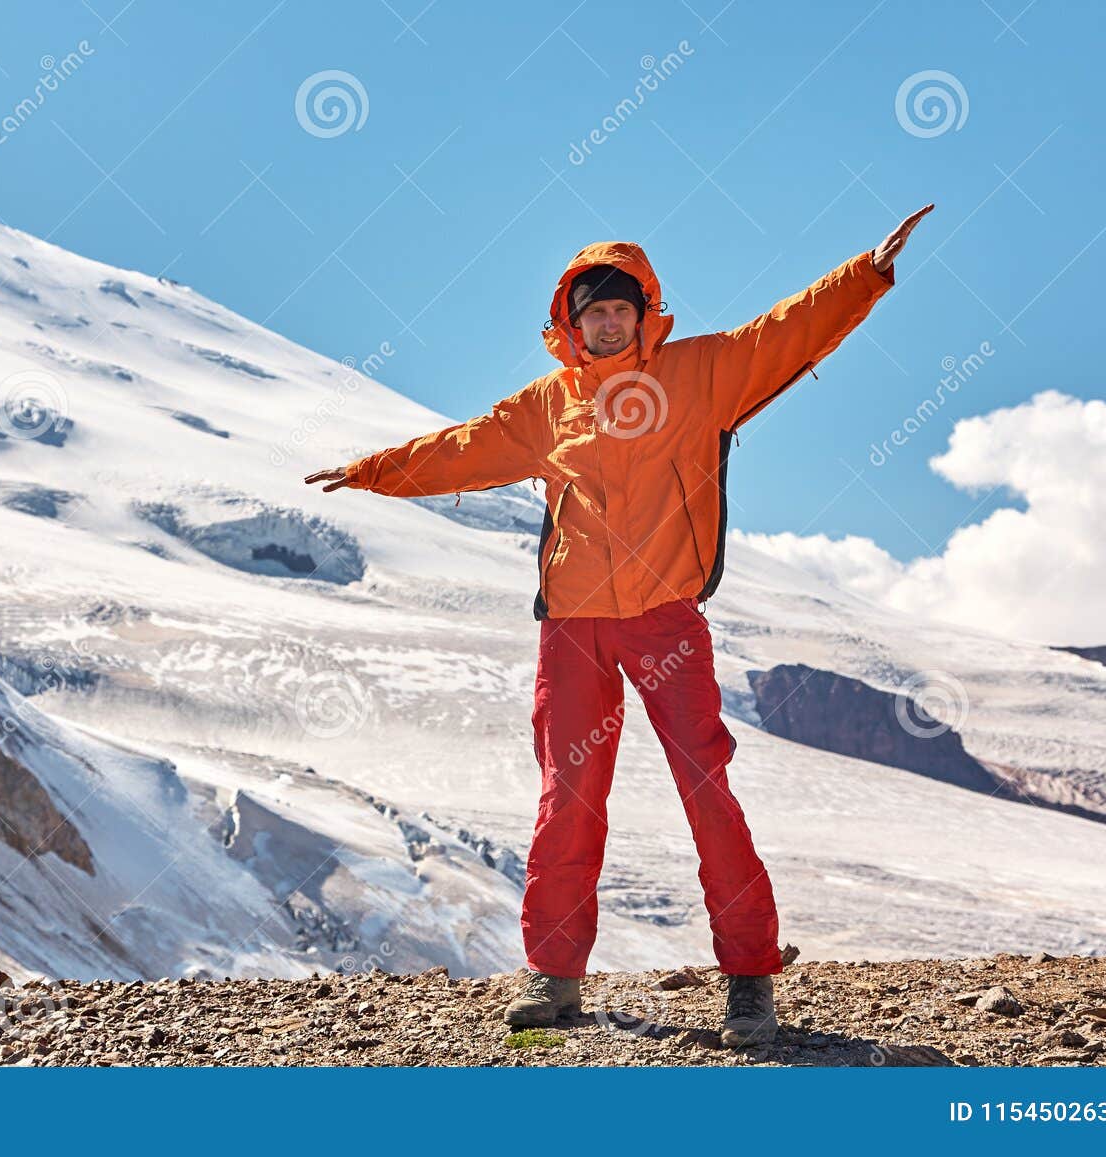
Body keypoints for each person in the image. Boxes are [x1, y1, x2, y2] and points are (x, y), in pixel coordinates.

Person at [306, 205, 931, 1047]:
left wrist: (866, 272)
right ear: (570, 323)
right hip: (573, 627)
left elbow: (784, 333)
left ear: (645, 312)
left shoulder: (702, 373)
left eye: (621, 308)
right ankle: (553, 975)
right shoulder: (546, 406)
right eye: (593, 311)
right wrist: (370, 470)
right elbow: (464, 447)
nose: (608, 322)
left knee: (706, 790)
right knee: (567, 797)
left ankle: (750, 977)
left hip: (666, 619)